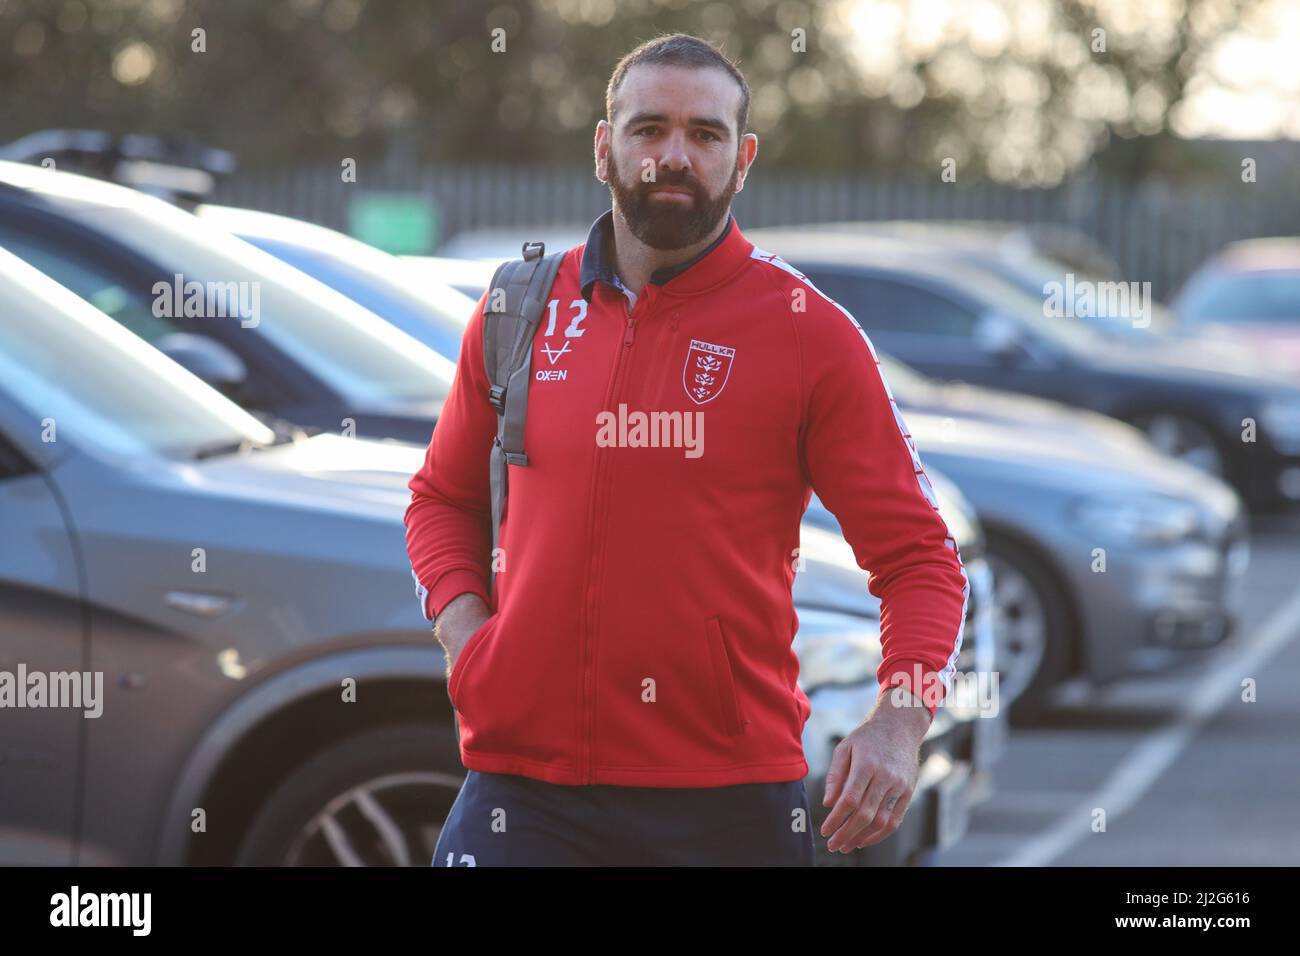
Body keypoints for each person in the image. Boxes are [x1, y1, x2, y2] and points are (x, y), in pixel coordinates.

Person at [405, 33, 968, 866]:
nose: (674, 156)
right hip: (524, 788)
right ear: (606, 147)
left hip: (727, 802)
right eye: (649, 130)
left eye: (704, 135)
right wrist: (468, 637)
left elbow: (921, 558)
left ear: (741, 161)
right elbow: (440, 499)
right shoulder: (517, 309)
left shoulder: (809, 333)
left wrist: (900, 719)